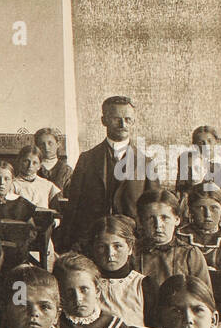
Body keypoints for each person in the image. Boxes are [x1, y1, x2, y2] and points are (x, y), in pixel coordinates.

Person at [57, 95, 156, 251]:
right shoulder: (87, 159)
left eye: (128, 119)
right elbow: (73, 206)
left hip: (131, 244)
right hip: (90, 241)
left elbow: (153, 208)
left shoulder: (146, 163)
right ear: (104, 121)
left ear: (134, 122)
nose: (123, 124)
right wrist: (67, 242)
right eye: (116, 119)